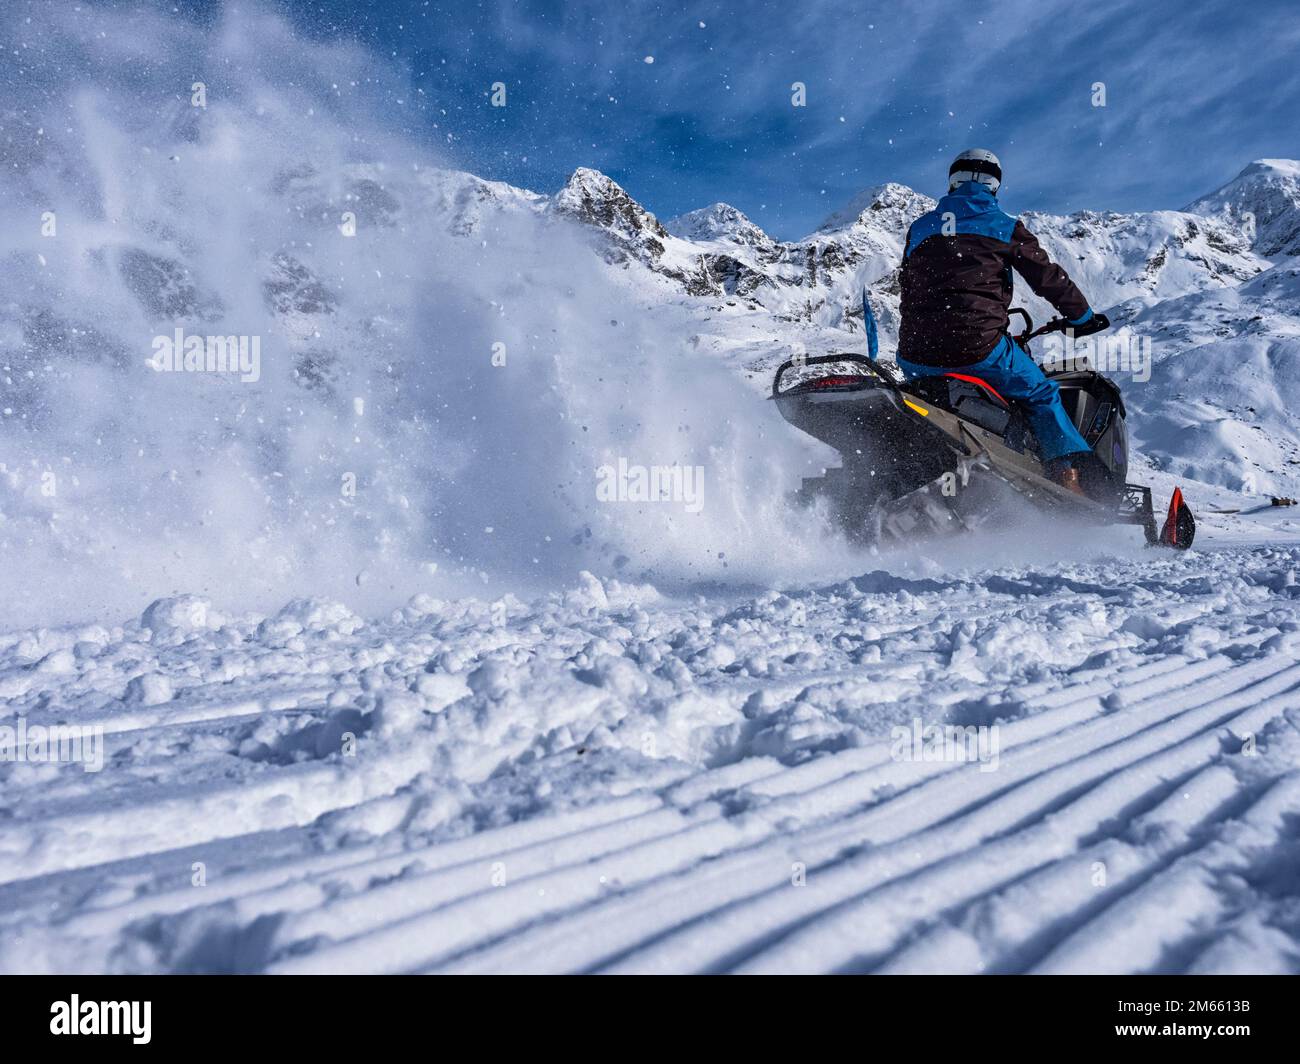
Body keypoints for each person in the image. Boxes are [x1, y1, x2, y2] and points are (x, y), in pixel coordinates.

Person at [897, 148, 1109, 494]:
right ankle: (1068, 482)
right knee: (1041, 392)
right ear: (994, 185)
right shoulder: (1005, 227)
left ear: (952, 182)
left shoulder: (921, 228)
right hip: (977, 347)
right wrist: (1082, 316)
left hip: (915, 353)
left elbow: (907, 284)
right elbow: (1048, 278)